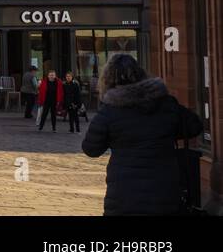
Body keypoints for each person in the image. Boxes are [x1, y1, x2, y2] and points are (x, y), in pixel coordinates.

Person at [82, 53, 203, 216]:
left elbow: (91, 148)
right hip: (164, 191)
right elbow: (194, 126)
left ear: (108, 80)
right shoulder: (165, 103)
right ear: (140, 73)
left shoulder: (109, 111)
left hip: (124, 195)